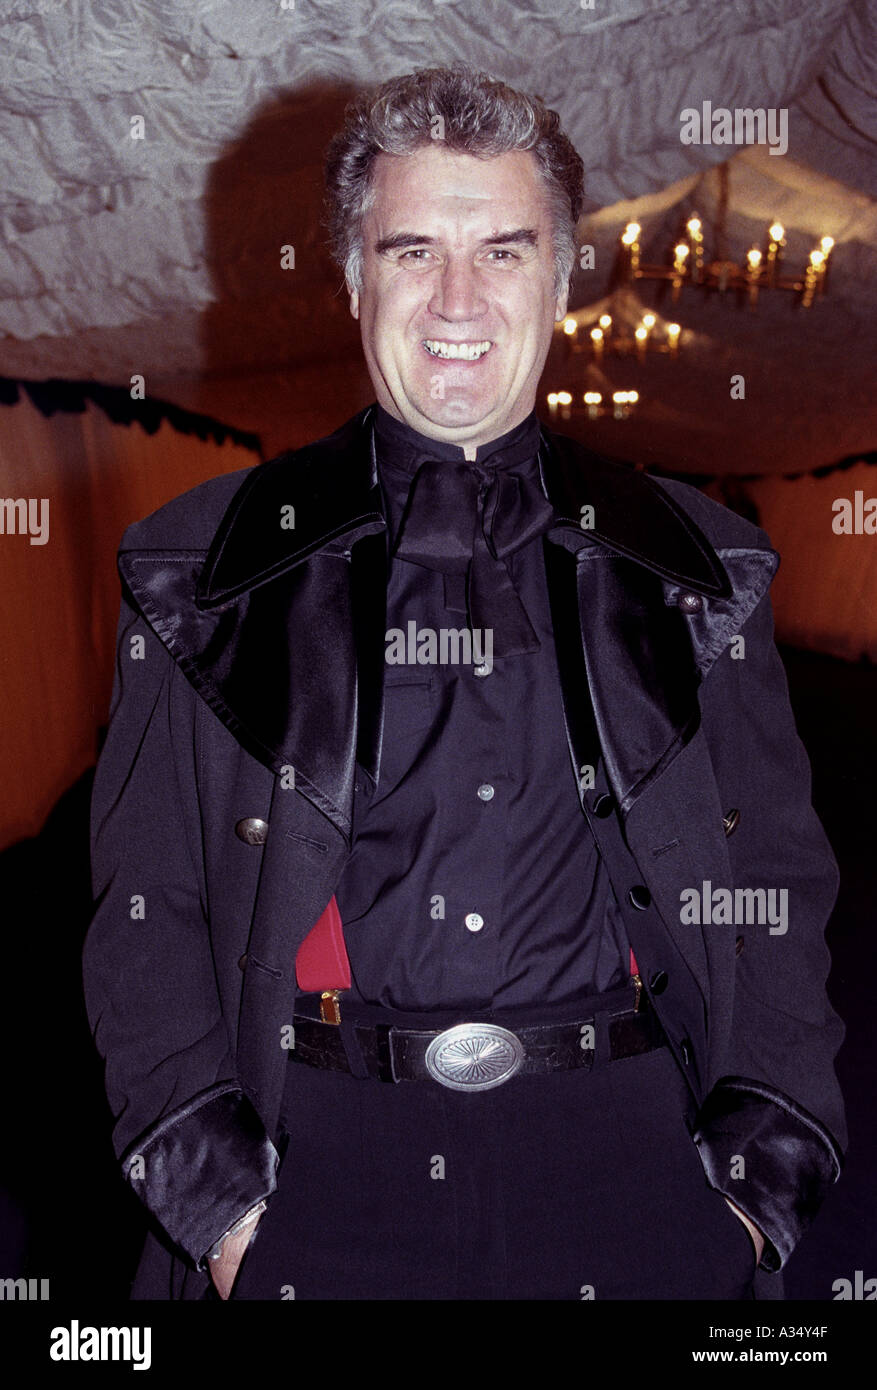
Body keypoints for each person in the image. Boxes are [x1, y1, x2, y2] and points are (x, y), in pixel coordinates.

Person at [83, 65, 846, 1301]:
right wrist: (221, 1209)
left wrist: (758, 1183)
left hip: (635, 1160)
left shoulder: (700, 566)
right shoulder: (203, 570)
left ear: (557, 277)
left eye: (501, 250)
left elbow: (778, 879)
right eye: (411, 250)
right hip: (317, 1174)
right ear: (350, 279)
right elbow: (145, 910)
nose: (457, 298)